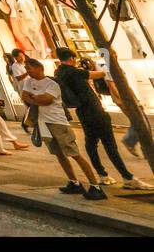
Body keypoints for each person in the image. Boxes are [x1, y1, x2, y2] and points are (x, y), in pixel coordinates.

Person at [54, 48, 152, 190]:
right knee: (110, 146)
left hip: (82, 111)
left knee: (91, 144)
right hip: (96, 111)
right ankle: (128, 177)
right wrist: (104, 65)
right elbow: (100, 74)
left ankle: (102, 174)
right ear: (71, 58)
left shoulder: (59, 72)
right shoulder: (75, 72)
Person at [20, 57, 106, 200]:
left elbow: (46, 100)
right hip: (43, 123)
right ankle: (74, 182)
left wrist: (33, 98)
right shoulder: (29, 82)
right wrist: (36, 98)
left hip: (58, 122)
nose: (28, 72)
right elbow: (25, 97)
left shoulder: (51, 84)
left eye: (29, 68)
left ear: (39, 68)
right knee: (59, 153)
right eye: (26, 69)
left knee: (74, 153)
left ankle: (95, 185)